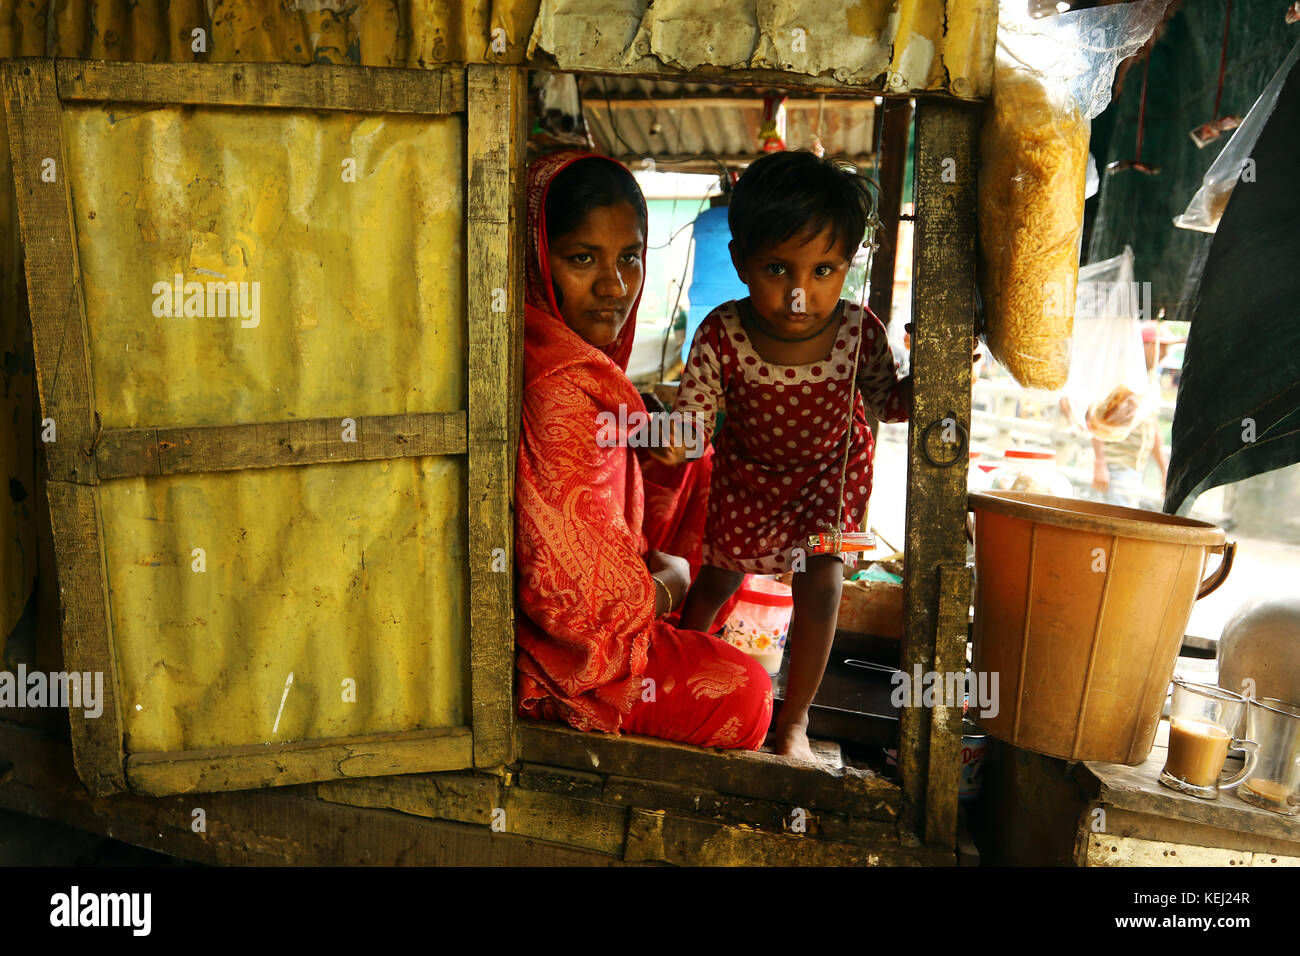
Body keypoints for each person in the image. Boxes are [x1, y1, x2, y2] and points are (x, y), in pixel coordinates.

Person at [650, 150, 912, 761]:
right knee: (717, 579)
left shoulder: (859, 330)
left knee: (824, 582)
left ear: (847, 265)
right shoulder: (721, 332)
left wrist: (935, 372)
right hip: (746, 480)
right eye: (777, 268)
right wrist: (672, 444)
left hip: (833, 481)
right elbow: (693, 422)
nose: (800, 294)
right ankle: (669, 681)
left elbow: (892, 405)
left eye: (824, 270)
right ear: (740, 260)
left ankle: (793, 723)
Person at [514, 150, 773, 750]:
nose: (614, 286)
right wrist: (670, 587)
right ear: (534, 257)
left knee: (698, 467)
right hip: (558, 662)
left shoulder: (567, 357)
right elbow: (573, 611)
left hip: (604, 610)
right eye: (582, 259)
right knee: (751, 697)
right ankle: (652, 648)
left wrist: (661, 437)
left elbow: (637, 437)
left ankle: (666, 635)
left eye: (629, 258)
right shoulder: (556, 389)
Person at [1091, 320, 1170, 508]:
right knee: (1117, 520)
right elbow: (1096, 418)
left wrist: (1164, 469)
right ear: (1145, 345)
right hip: (1116, 462)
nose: (1164, 352)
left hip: (1135, 465)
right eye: (1161, 345)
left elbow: (1152, 425)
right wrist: (1100, 462)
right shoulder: (1120, 374)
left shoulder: (1151, 380)